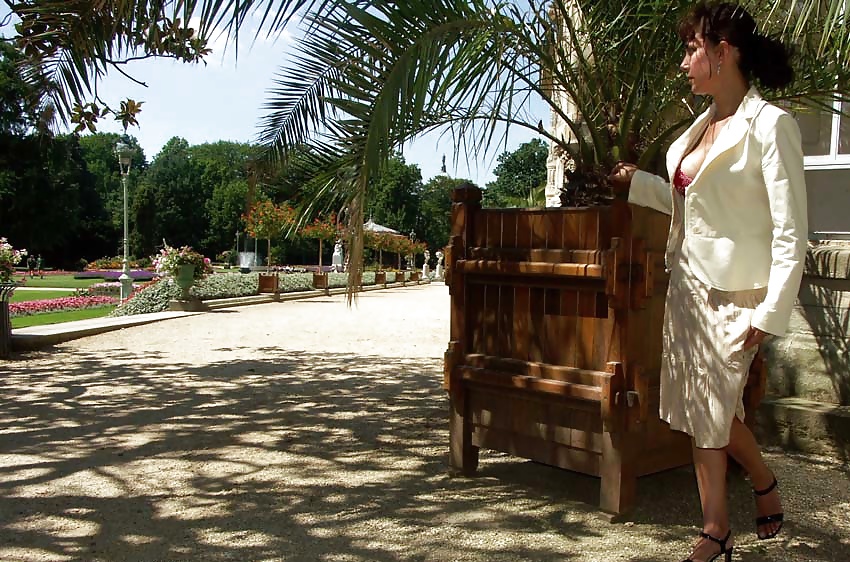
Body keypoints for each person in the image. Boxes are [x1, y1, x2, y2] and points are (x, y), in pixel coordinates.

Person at [608, 3, 806, 561]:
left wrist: (771, 313)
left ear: (724, 53)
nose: (683, 62)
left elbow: (791, 229)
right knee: (705, 408)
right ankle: (752, 493)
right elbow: (689, 207)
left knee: (714, 408)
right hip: (689, 291)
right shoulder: (700, 128)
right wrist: (636, 183)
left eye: (692, 49)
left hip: (739, 295)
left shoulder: (771, 126)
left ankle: (718, 527)